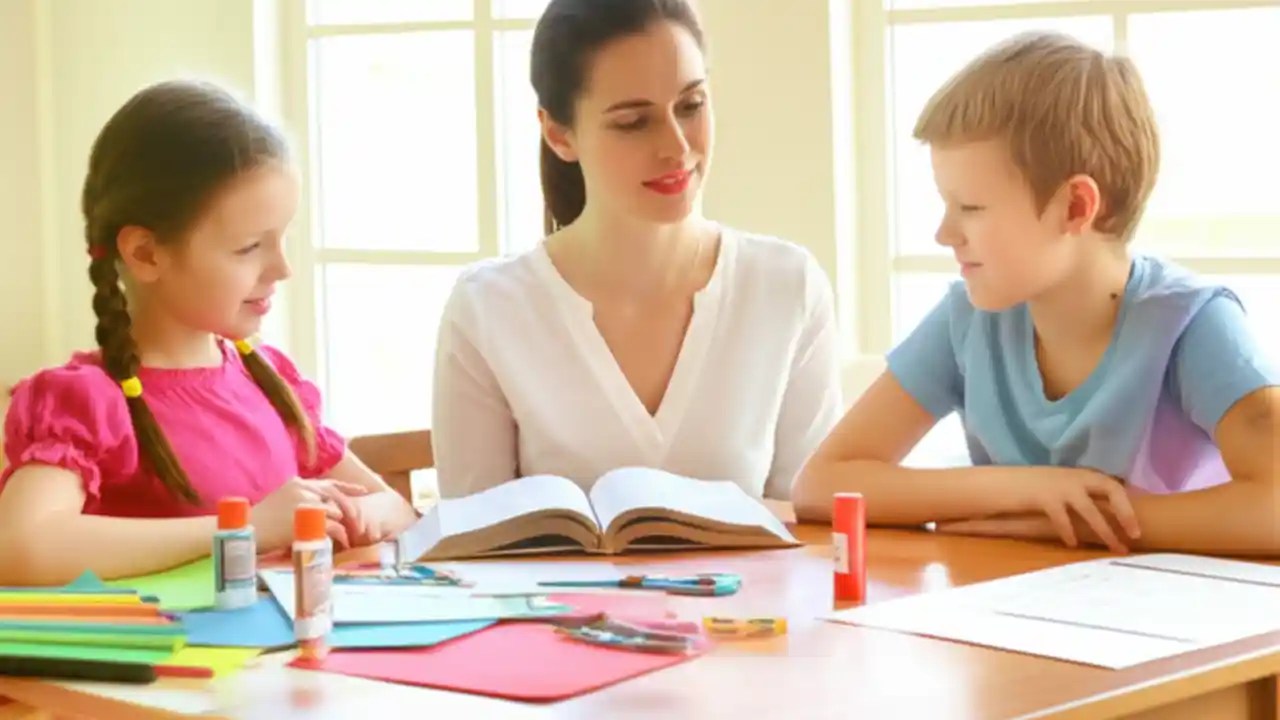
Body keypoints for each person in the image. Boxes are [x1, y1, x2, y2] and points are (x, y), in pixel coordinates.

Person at [794, 32, 1280, 556]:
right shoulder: (966, 319)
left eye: (971, 208)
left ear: (1075, 207)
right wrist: (1028, 489)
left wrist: (1085, 520)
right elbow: (821, 486)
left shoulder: (1192, 323)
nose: (945, 233)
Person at [0, 80, 418, 585]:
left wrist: (362, 515)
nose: (282, 268)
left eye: (281, 239)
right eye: (248, 248)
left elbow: (395, 506)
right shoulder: (86, 400)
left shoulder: (268, 380)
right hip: (174, 662)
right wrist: (243, 528)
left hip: (287, 659)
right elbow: (21, 548)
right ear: (147, 254)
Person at [431, 0, 843, 500]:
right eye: (632, 122)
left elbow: (816, 529)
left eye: (691, 106)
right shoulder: (488, 307)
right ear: (559, 133)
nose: (676, 146)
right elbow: (471, 545)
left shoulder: (786, 286)